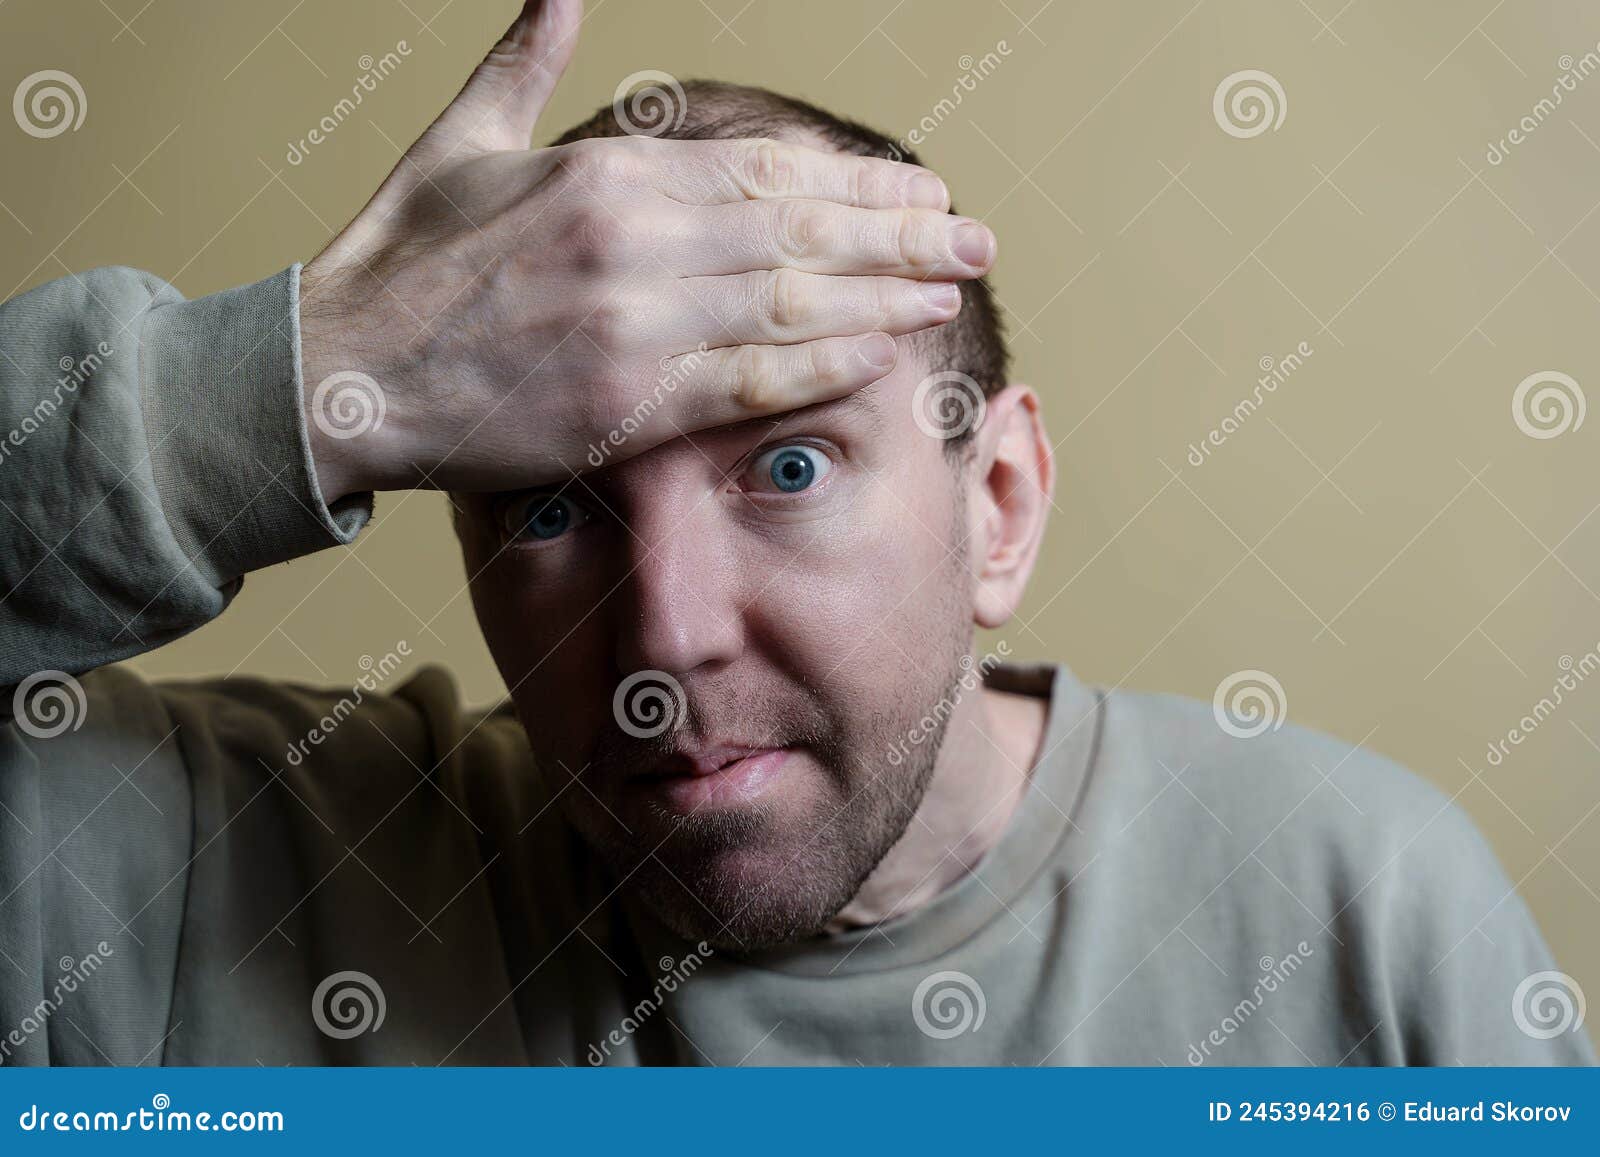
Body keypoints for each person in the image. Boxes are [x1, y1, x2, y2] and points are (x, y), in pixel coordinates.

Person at [0, 0, 1589, 1067]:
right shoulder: (209, 882)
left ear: (1000, 507)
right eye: (548, 504)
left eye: (790, 469)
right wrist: (308, 376)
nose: (665, 633)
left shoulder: (1361, 912)